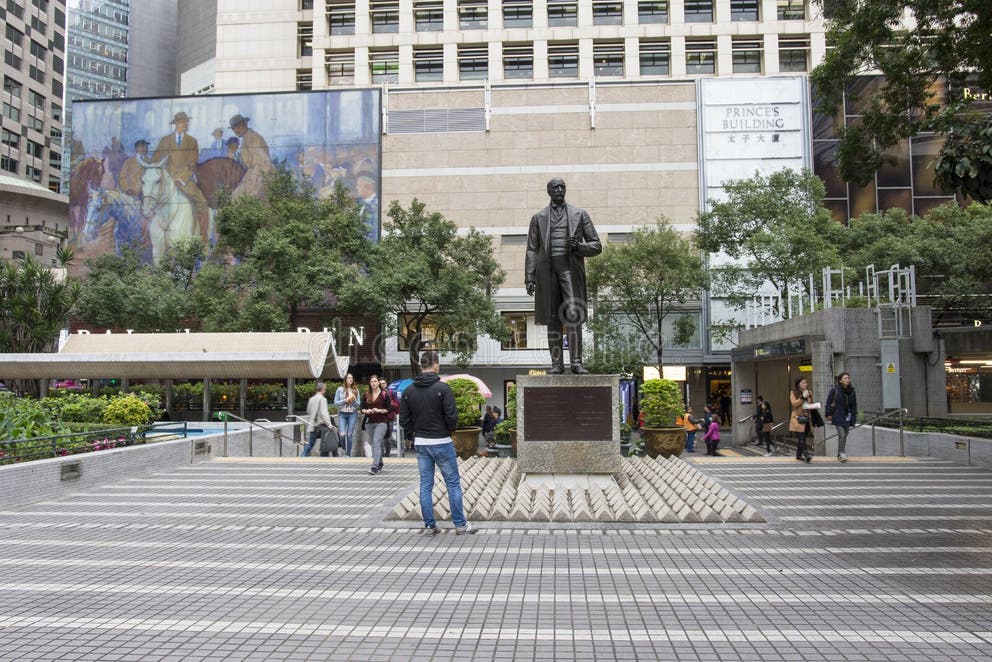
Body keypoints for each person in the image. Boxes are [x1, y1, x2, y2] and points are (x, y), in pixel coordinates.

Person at [525, 177, 603, 374]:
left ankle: (576, 362)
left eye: (562, 187)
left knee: (574, 316)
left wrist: (579, 247)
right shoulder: (538, 218)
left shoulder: (579, 214)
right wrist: (530, 276)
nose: (560, 190)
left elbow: (596, 245)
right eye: (555, 187)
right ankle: (556, 364)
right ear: (549, 192)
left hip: (570, 271)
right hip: (547, 273)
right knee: (553, 319)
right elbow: (532, 249)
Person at [399, 350, 479, 536]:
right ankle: (460, 525)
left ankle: (429, 526)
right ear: (436, 366)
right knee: (452, 483)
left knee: (426, 484)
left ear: (421, 366)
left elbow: (404, 419)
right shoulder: (443, 389)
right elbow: (452, 416)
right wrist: (448, 430)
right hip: (442, 440)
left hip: (421, 442)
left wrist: (415, 432)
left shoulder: (409, 390)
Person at [151, 111, 211, 243]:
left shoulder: (192, 142)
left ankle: (204, 236)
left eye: (186, 122)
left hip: (185, 181)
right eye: (183, 122)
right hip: (166, 180)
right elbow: (156, 160)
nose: (186, 124)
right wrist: (164, 177)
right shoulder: (165, 141)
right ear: (176, 124)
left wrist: (180, 179)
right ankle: (148, 237)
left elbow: (191, 163)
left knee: (202, 202)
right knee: (149, 200)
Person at [229, 114, 275, 198]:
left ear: (244, 125)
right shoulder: (246, 138)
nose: (236, 130)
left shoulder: (253, 137)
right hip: (253, 173)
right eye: (233, 128)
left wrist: (257, 183)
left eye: (238, 127)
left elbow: (263, 161)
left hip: (260, 174)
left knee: (242, 198)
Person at [361, 374, 391, 474]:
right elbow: (362, 408)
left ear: (378, 382)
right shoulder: (366, 394)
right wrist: (366, 411)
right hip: (369, 422)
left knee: (376, 442)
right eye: (371, 382)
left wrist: (380, 410)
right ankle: (380, 462)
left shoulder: (384, 394)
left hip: (382, 422)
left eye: (375, 381)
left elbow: (389, 408)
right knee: (375, 444)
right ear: (369, 383)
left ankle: (375, 466)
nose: (373, 383)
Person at [825, 372, 858, 462]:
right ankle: (842, 452)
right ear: (840, 380)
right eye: (845, 378)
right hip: (838, 415)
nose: (847, 380)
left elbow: (854, 405)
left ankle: (840, 454)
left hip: (848, 416)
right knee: (842, 434)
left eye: (848, 378)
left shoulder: (852, 391)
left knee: (845, 434)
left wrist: (854, 415)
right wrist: (828, 414)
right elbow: (828, 402)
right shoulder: (835, 390)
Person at [301, 382, 337, 457]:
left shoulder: (311, 399)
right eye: (325, 389)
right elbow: (324, 414)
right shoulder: (323, 399)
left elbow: (308, 411)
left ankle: (303, 457)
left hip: (313, 425)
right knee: (328, 440)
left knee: (310, 444)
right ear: (322, 389)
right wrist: (329, 425)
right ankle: (328, 456)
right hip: (322, 426)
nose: (325, 391)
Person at [790, 377, 817, 463]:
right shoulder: (793, 392)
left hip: (807, 418)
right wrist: (802, 398)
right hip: (798, 418)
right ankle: (806, 454)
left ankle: (798, 455)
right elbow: (794, 404)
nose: (806, 384)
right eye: (803, 383)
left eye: (806, 382)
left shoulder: (809, 393)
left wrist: (813, 405)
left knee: (803, 437)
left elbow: (811, 403)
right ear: (798, 384)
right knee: (801, 437)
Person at [333, 373, 359, 457]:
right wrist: (345, 400)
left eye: (351, 378)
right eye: (348, 378)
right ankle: (343, 449)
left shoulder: (356, 390)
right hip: (342, 414)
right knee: (342, 434)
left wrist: (353, 400)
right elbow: (335, 403)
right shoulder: (340, 389)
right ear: (345, 379)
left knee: (349, 434)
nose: (350, 379)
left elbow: (358, 404)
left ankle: (348, 454)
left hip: (352, 414)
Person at [379, 377, 397, 457]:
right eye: (380, 383)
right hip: (379, 417)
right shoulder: (376, 393)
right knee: (380, 436)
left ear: (386, 384)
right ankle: (381, 453)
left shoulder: (391, 392)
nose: (382, 385)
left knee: (388, 436)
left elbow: (397, 404)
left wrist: (390, 404)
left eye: (383, 383)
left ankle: (387, 453)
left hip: (389, 416)